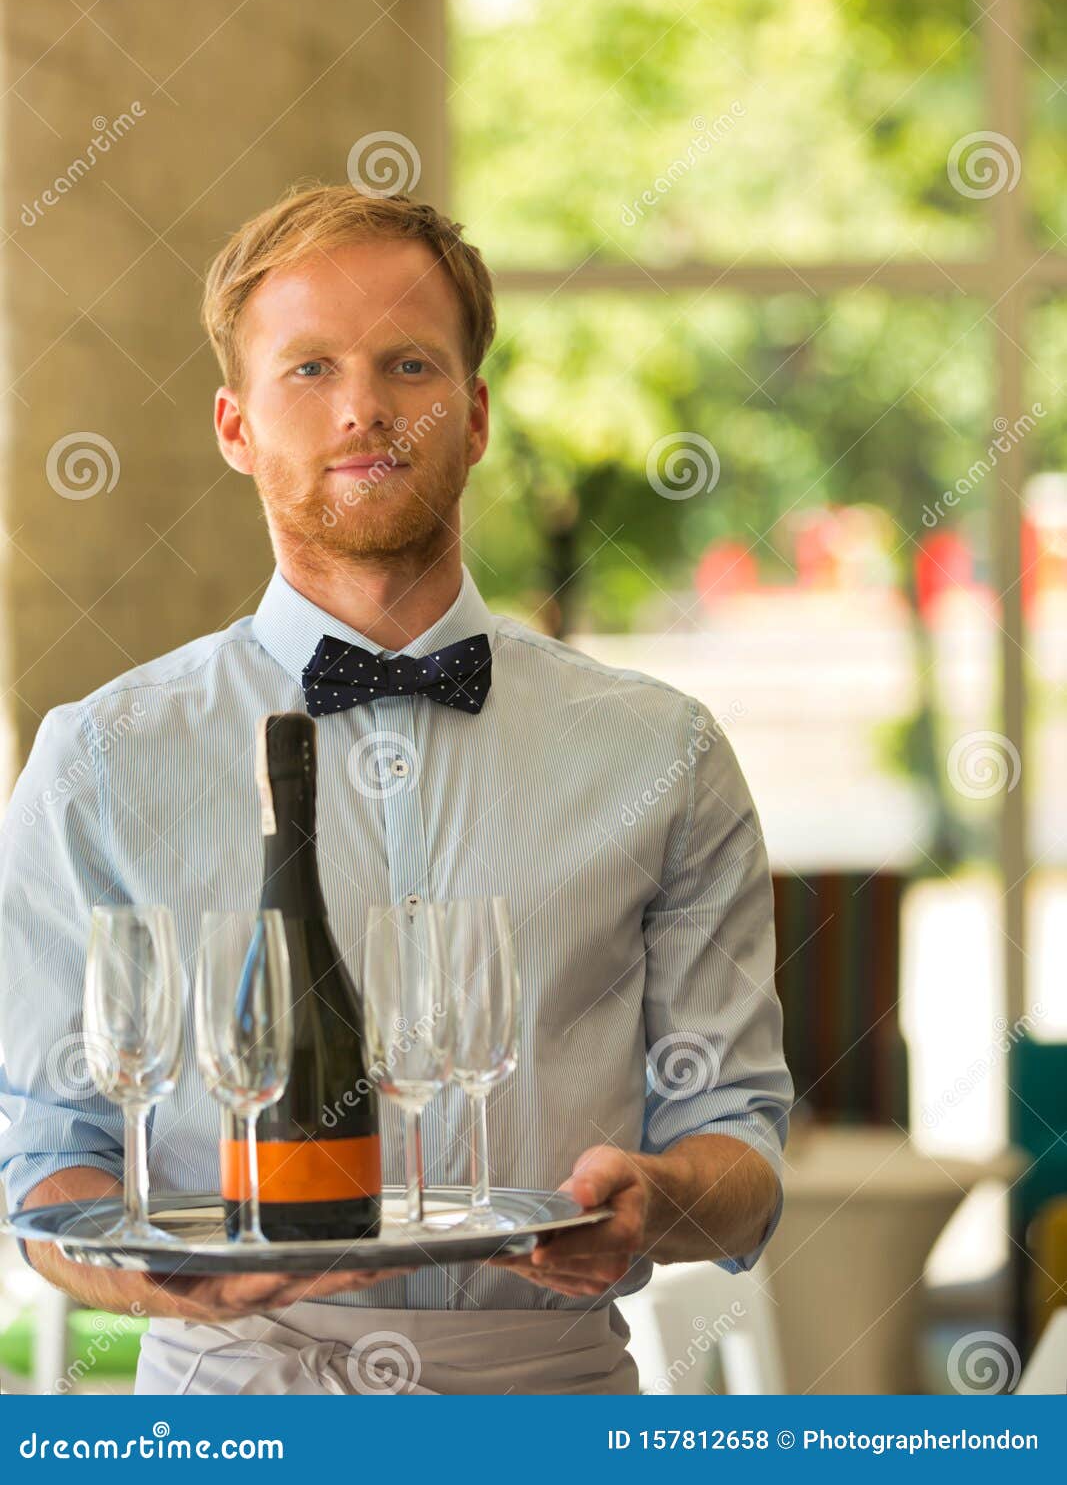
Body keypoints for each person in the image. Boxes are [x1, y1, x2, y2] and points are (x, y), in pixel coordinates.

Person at [0, 183, 793, 1395]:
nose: (364, 407)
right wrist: (165, 1279)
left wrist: (663, 1201)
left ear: (472, 416)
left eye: (408, 364)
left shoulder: (660, 754)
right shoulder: (100, 760)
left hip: (550, 1410)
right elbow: (49, 1159)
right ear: (233, 426)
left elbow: (737, 1144)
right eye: (308, 369)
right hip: (232, 1409)